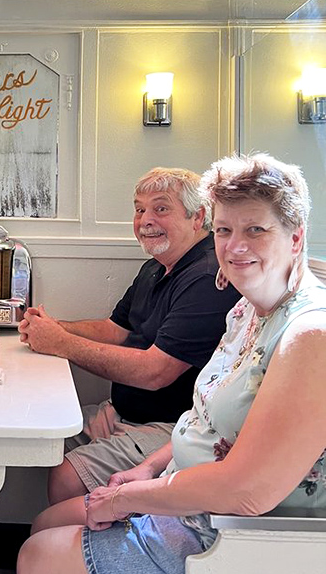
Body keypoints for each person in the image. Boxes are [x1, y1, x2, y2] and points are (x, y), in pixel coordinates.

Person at [17, 153, 326, 574]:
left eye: (255, 230)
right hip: (186, 502)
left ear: (296, 236)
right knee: (46, 527)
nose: (234, 246)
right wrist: (146, 467)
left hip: (239, 546)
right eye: (225, 231)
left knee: (39, 560)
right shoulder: (247, 308)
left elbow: (246, 491)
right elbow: (202, 417)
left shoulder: (310, 335)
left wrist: (129, 499)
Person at [19, 167, 240, 504]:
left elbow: (155, 373)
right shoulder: (155, 266)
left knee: (67, 475)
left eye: (161, 209)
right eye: (139, 210)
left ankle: (71, 547)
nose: (145, 220)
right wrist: (53, 327)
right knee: (34, 437)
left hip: (171, 426)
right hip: (122, 412)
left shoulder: (207, 277)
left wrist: (61, 343)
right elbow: (115, 330)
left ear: (198, 217)